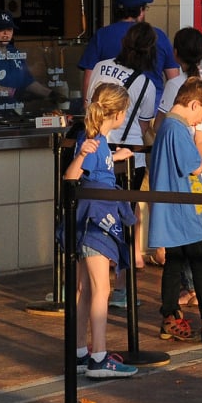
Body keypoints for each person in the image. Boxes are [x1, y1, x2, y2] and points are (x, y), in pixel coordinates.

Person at [66, 81, 139, 378]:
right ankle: (99, 356)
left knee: (85, 289)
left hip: (89, 218)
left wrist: (115, 158)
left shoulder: (98, 141)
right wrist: (83, 155)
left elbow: (95, 166)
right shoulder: (93, 142)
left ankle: (81, 352)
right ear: (119, 113)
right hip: (95, 220)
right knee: (101, 289)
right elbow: (71, 177)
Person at [86, 21, 159, 291]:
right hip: (130, 155)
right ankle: (122, 287)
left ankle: (95, 277)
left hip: (96, 149)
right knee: (126, 218)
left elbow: (88, 104)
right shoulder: (146, 84)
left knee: (97, 217)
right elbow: (143, 125)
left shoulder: (100, 66)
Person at [150, 77, 202, 343]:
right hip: (183, 209)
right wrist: (201, 143)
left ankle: (170, 315)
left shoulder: (167, 126)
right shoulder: (179, 129)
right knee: (200, 264)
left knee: (174, 264)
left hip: (170, 207)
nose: (200, 121)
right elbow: (194, 166)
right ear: (193, 104)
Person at [79, 0, 180, 99]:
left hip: (113, 111)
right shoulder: (158, 36)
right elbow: (174, 81)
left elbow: (89, 80)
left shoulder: (101, 36)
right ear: (141, 10)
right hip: (153, 111)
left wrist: (88, 109)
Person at [0, 9, 52, 126]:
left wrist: (50, 93)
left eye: (9, 29)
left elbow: (28, 81)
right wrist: (14, 92)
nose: (6, 34)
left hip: (13, 113)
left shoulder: (14, 51)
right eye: (1, 29)